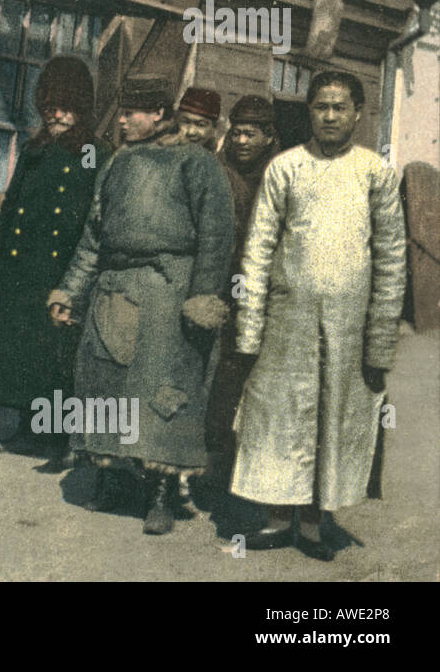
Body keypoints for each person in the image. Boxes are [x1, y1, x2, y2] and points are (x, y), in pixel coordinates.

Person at [230, 71, 406, 561]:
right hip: (287, 322)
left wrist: (379, 342)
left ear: (357, 113)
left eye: (339, 107)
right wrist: (250, 327)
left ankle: (313, 522)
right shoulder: (285, 168)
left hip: (349, 326)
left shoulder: (375, 173)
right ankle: (275, 517)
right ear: (309, 112)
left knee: (334, 417)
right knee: (278, 416)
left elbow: (392, 259)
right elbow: (259, 249)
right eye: (320, 106)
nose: (329, 116)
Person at [49, 75, 233, 535]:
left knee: (159, 393)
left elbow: (216, 237)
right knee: (106, 384)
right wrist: (70, 290)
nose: (123, 121)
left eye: (131, 113)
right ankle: (113, 480)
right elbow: (92, 237)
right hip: (113, 286)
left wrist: (202, 297)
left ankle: (160, 496)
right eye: (122, 112)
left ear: (158, 115)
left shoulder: (197, 165)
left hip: (168, 292)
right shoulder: (117, 163)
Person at [0, 56, 112, 470]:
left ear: (81, 108)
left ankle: (59, 437)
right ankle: (28, 428)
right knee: (21, 353)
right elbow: (13, 203)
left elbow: (95, 213)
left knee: (56, 356)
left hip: (62, 269)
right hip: (22, 270)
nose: (56, 114)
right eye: (49, 106)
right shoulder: (36, 150)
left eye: (65, 106)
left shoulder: (93, 153)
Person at [203, 95, 279, 486]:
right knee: (218, 376)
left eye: (251, 134)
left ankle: (253, 470)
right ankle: (213, 463)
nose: (242, 141)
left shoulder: (281, 174)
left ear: (269, 137)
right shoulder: (215, 170)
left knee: (257, 383)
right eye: (236, 132)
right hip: (219, 286)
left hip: (264, 293)